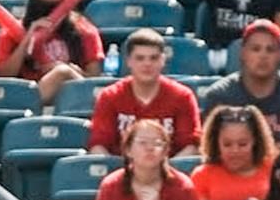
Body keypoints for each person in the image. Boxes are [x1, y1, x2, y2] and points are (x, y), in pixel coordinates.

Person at [0, 0, 104, 105]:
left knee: (62, 73)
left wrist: (69, 69)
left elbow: (93, 80)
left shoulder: (84, 30)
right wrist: (26, 40)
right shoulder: (11, 31)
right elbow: (4, 75)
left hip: (74, 99)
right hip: (26, 97)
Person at [200, 19, 280, 150]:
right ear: (243, 53)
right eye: (255, 49)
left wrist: (247, 154)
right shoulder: (219, 94)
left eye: (270, 50)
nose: (263, 56)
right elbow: (212, 148)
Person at [86, 29, 202, 157]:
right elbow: (98, 145)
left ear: (163, 60)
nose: (147, 64)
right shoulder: (110, 96)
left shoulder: (182, 96)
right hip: (122, 171)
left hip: (168, 172)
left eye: (154, 58)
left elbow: (191, 146)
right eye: (140, 58)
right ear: (129, 61)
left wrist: (165, 173)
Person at [190, 105, 277, 200]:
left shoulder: (273, 168)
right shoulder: (202, 175)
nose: (235, 151)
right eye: (227, 144)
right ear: (216, 143)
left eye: (242, 144)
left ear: (255, 141)